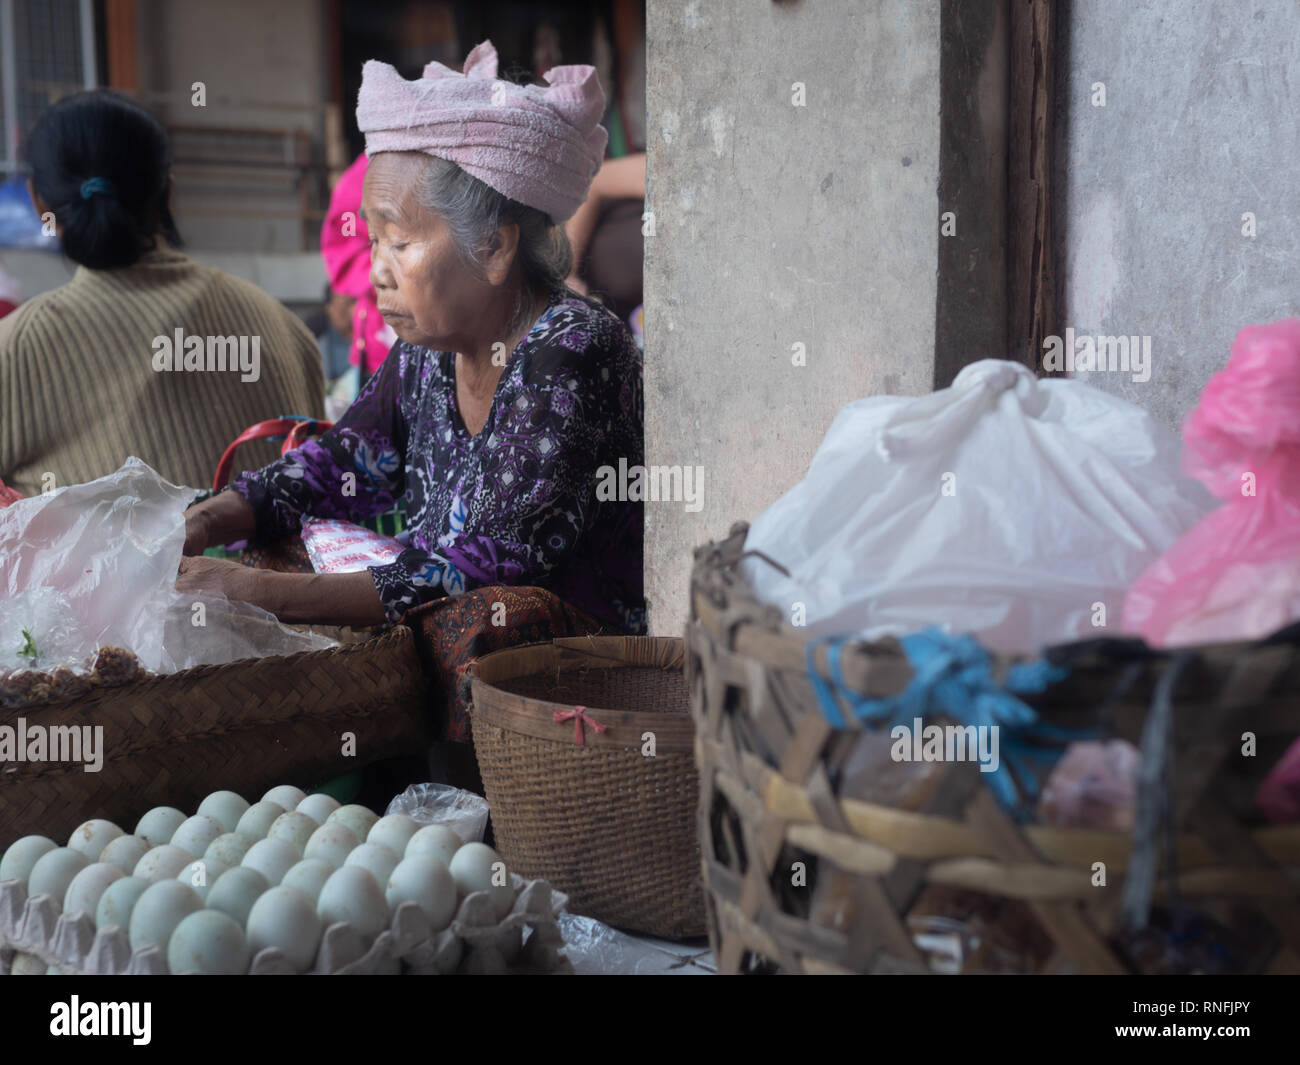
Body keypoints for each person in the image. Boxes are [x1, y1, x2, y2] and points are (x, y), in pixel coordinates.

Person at [179, 41, 646, 745]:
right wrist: (210, 518)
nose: (376, 272)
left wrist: (254, 594)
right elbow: (344, 459)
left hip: (575, 672)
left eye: (399, 242)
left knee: (477, 621)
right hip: (450, 612)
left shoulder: (573, 349)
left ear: (493, 247)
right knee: (275, 541)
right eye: (371, 242)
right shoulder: (429, 351)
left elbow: (471, 569)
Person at [0, 91, 325, 497]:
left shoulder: (15, 349)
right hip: (290, 562)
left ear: (37, 202)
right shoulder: (283, 325)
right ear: (167, 193)